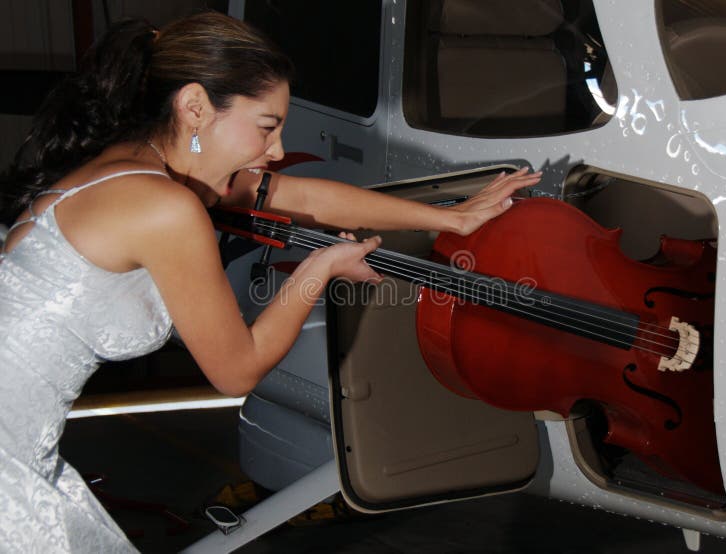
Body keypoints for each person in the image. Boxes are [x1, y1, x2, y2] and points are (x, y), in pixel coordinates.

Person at [0, 11, 540, 552]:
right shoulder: (161, 205)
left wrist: (453, 218)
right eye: (266, 126)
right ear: (194, 106)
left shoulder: (133, 171)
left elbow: (303, 197)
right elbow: (237, 370)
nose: (278, 149)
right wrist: (318, 270)